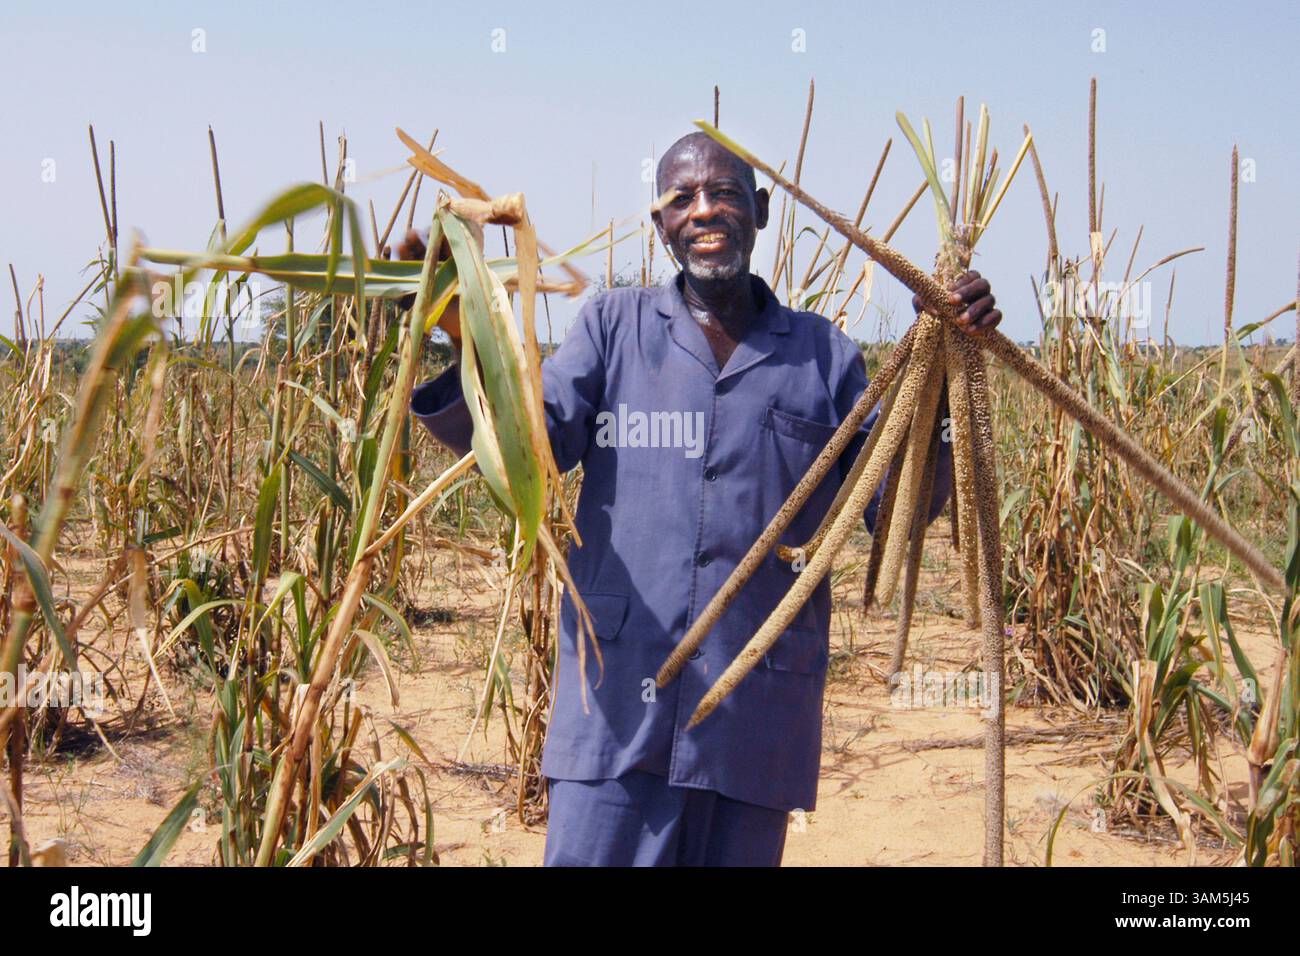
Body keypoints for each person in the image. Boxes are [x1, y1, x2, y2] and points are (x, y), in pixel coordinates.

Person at [407, 131, 1002, 866]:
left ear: (758, 211)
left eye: (723, 193)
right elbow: (530, 446)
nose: (704, 211)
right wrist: (462, 331)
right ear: (660, 227)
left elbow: (898, 509)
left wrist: (944, 371)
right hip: (617, 706)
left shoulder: (825, 356)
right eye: (681, 198)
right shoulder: (610, 327)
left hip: (753, 719)